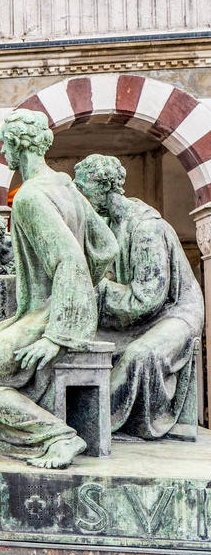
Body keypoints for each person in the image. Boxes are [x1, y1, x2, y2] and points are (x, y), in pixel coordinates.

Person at [0, 110, 118, 469]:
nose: (4, 151)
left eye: (4, 145)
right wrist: (86, 289)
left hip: (49, 319)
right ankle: (7, 431)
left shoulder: (29, 197)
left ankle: (57, 436)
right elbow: (107, 246)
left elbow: (68, 261)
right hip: (41, 311)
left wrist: (57, 333)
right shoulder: (65, 187)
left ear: (14, 145)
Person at [74, 154, 204, 439]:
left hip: (172, 313)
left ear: (104, 188)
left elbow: (147, 299)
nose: (79, 196)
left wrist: (98, 292)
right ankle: (74, 419)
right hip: (136, 315)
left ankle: (94, 426)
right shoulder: (107, 224)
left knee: (139, 355)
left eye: (83, 189)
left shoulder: (146, 229)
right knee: (75, 344)